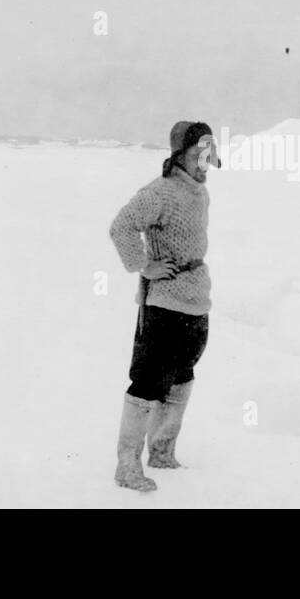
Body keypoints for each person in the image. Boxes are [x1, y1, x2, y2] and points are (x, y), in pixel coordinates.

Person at [107, 121, 221, 492]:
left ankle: (161, 451)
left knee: (182, 377)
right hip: (164, 303)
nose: (204, 163)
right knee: (148, 382)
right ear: (179, 156)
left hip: (196, 300)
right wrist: (144, 265)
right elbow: (122, 225)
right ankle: (127, 466)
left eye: (208, 155)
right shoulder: (161, 191)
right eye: (197, 155)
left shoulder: (200, 194)